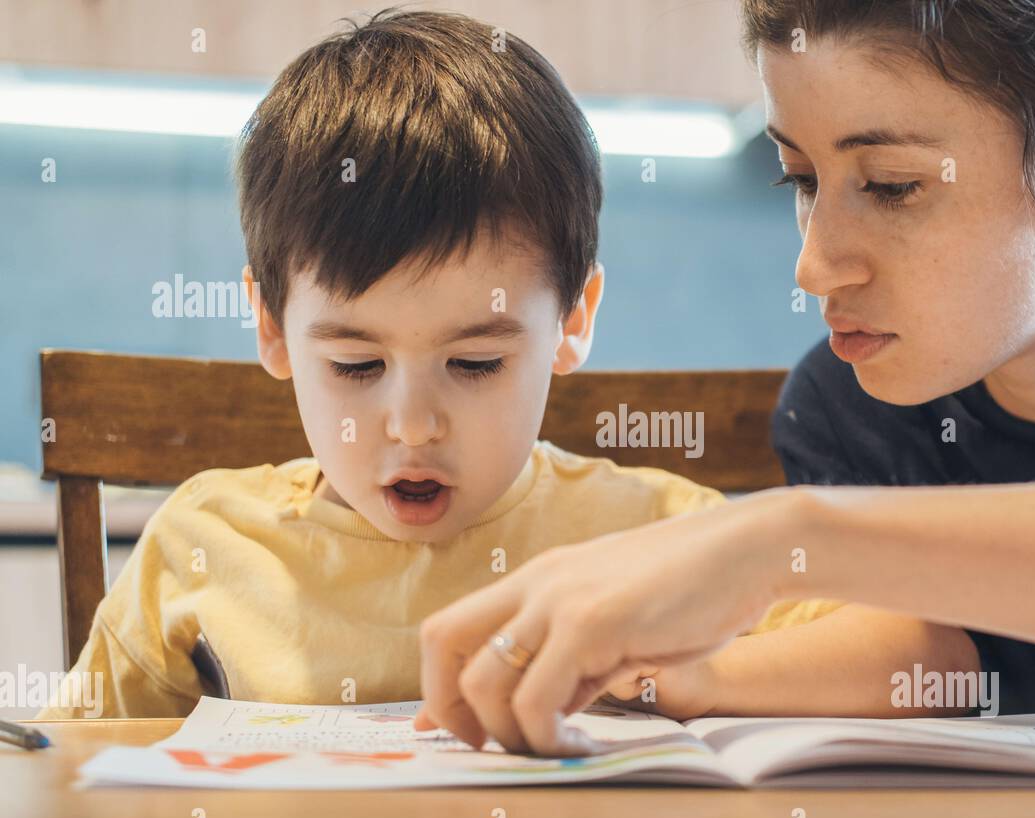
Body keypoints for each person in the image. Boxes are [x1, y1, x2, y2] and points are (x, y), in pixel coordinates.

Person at [413, 0, 1035, 755]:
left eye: (891, 184)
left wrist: (785, 537)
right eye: (800, 177)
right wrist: (679, 673)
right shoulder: (850, 410)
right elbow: (953, 665)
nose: (815, 266)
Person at [35, 9, 851, 720]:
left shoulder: (661, 539)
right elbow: (60, 775)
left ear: (574, 320)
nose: (414, 425)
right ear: (273, 329)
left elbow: (906, 655)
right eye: (356, 364)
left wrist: (692, 675)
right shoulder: (204, 546)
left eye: (474, 362)